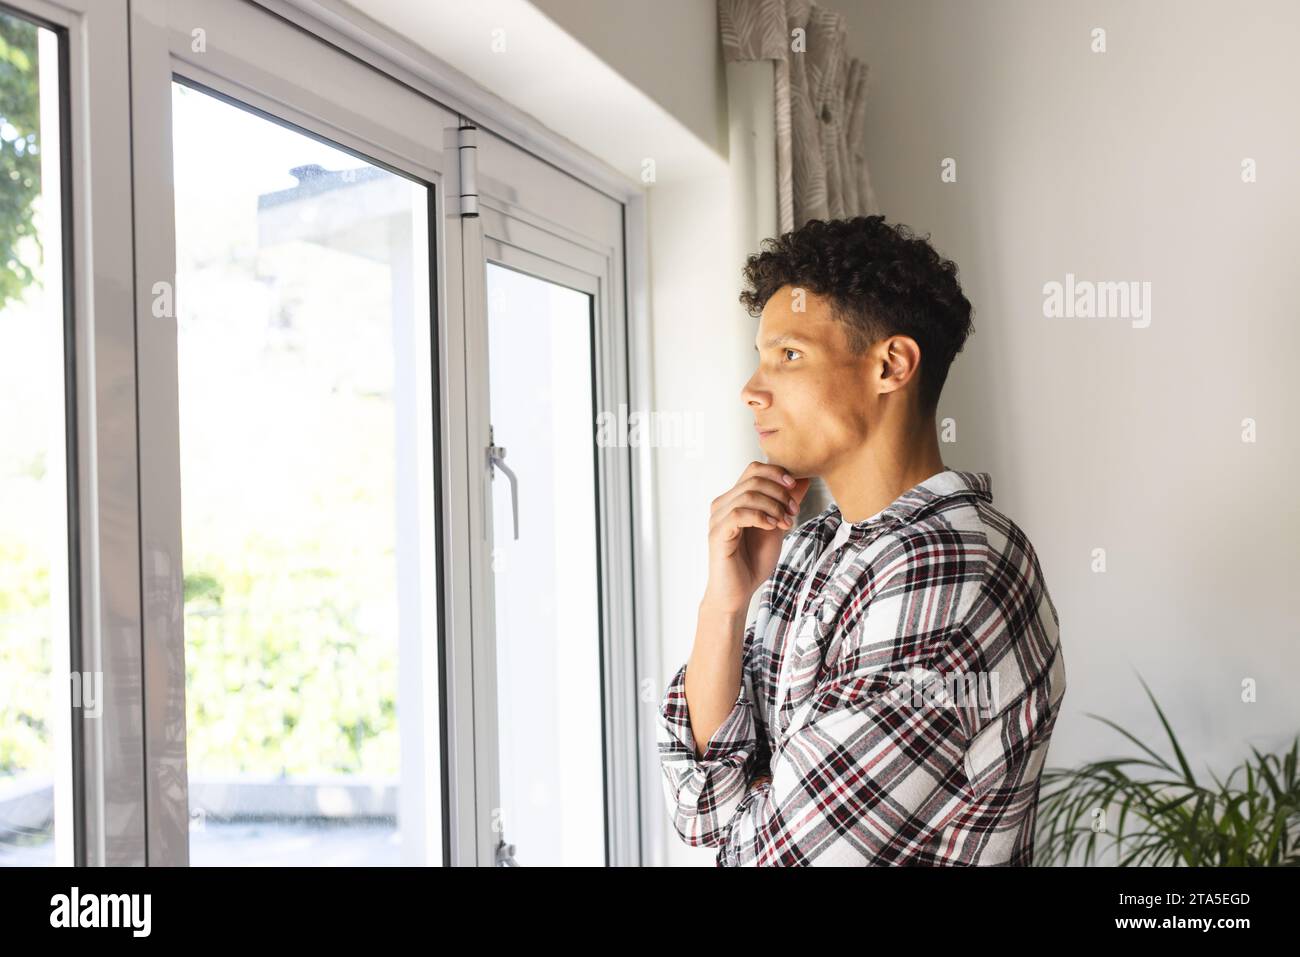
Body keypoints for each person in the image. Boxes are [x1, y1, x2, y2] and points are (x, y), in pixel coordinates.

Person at [657, 215, 1067, 865]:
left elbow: (766, 856)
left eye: (788, 356)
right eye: (759, 360)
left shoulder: (949, 569)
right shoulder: (816, 545)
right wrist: (724, 605)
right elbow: (704, 811)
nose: (751, 391)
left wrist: (760, 787)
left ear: (890, 365)